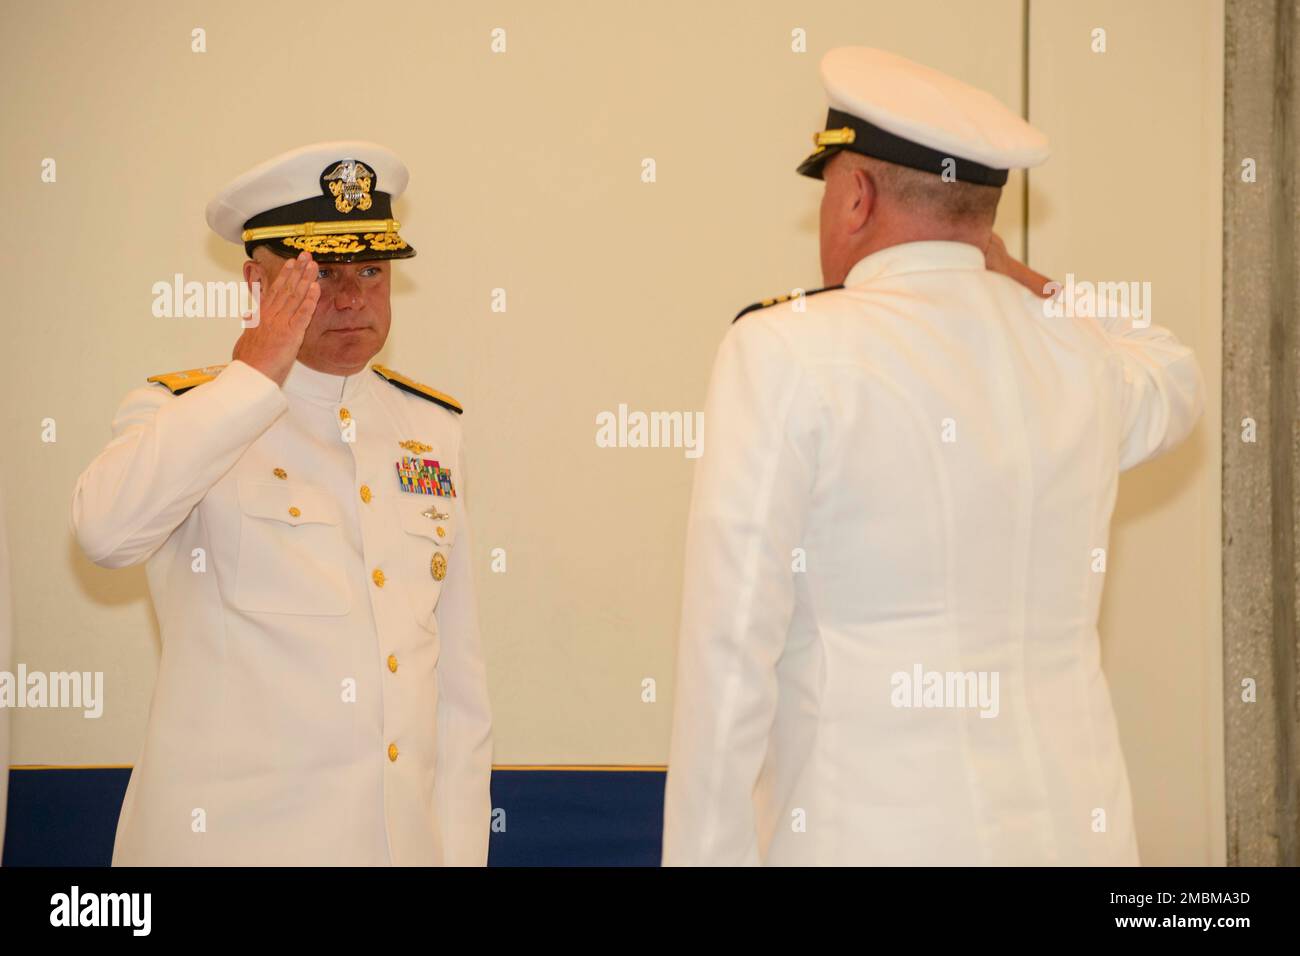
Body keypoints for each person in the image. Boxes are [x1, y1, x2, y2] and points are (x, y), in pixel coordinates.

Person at [661, 48, 1203, 866]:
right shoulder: (1078, 359)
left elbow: (728, 658)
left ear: (856, 195)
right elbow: (1174, 370)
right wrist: (1017, 276)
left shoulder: (784, 351)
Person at [70, 142, 492, 865]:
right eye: (321, 274)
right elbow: (104, 534)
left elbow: (458, 693)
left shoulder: (430, 430)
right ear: (255, 283)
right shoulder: (185, 413)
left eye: (371, 270)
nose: (352, 298)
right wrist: (253, 375)